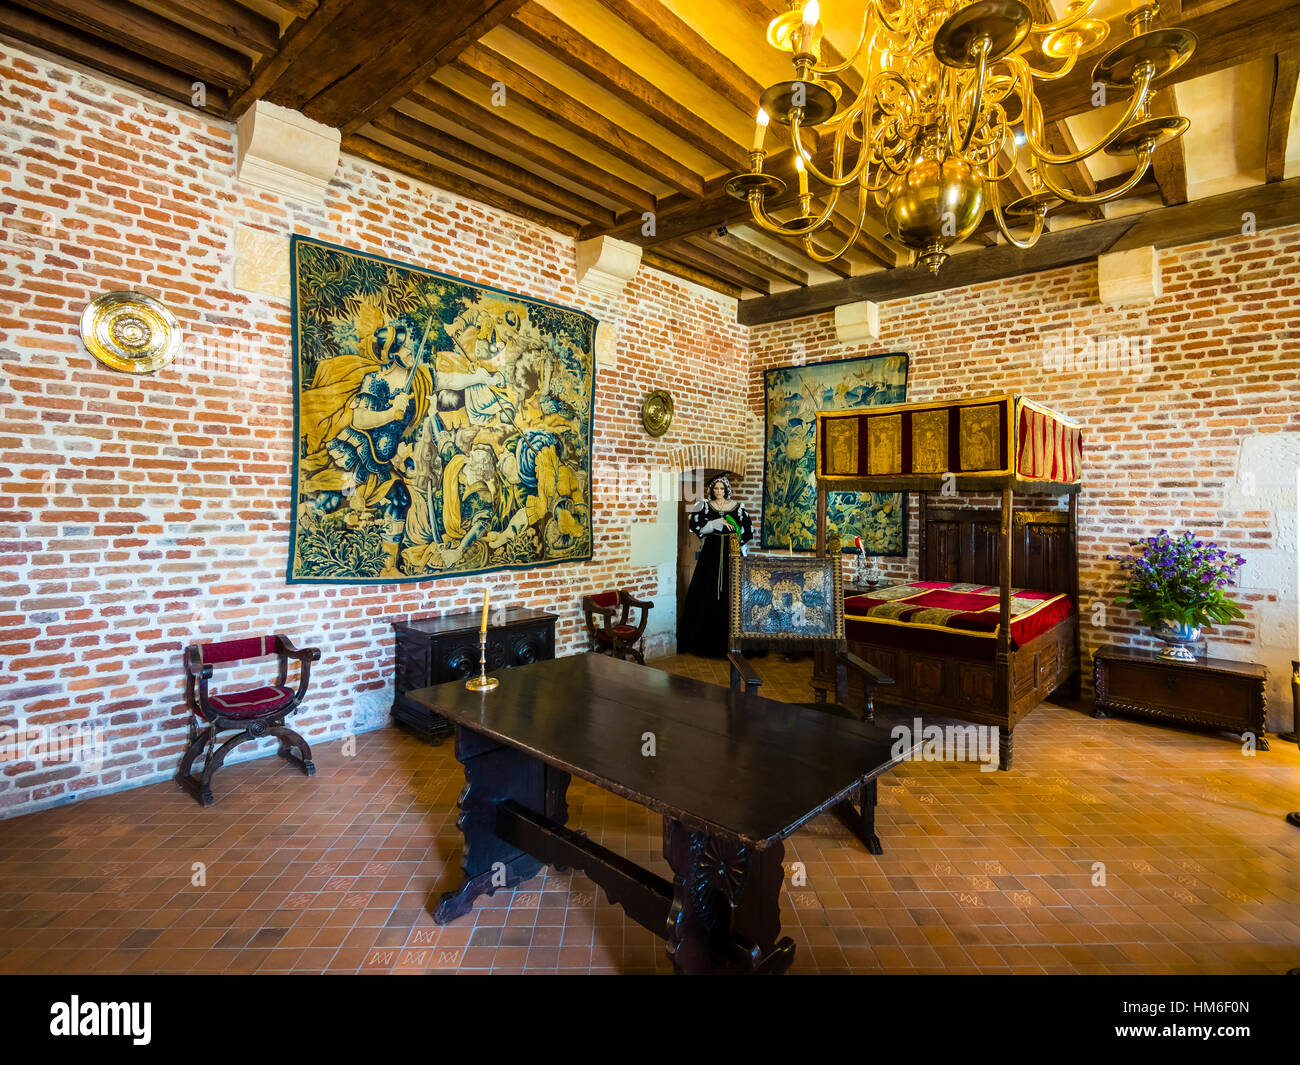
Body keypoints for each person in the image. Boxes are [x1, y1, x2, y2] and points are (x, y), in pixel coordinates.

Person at [678, 474, 753, 658]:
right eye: (716, 488)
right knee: (706, 589)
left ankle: (733, 643)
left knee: (731, 591)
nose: (719, 491)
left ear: (726, 490)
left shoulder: (737, 507)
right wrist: (714, 524)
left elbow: (747, 530)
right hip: (711, 551)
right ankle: (701, 640)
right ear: (712, 490)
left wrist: (736, 538)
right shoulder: (703, 506)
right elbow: (695, 526)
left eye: (722, 488)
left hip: (730, 550)